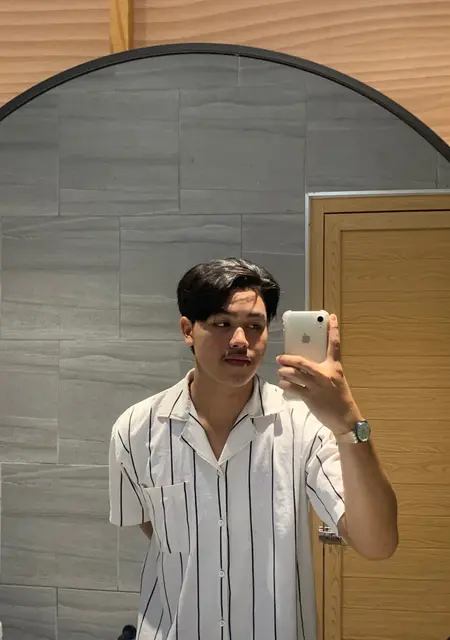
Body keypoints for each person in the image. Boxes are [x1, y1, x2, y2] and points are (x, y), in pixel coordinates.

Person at [109, 257, 398, 640]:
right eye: (222, 324)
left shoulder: (303, 424)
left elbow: (379, 544)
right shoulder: (136, 429)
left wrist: (348, 423)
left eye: (255, 326)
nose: (240, 340)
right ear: (188, 330)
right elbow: (152, 528)